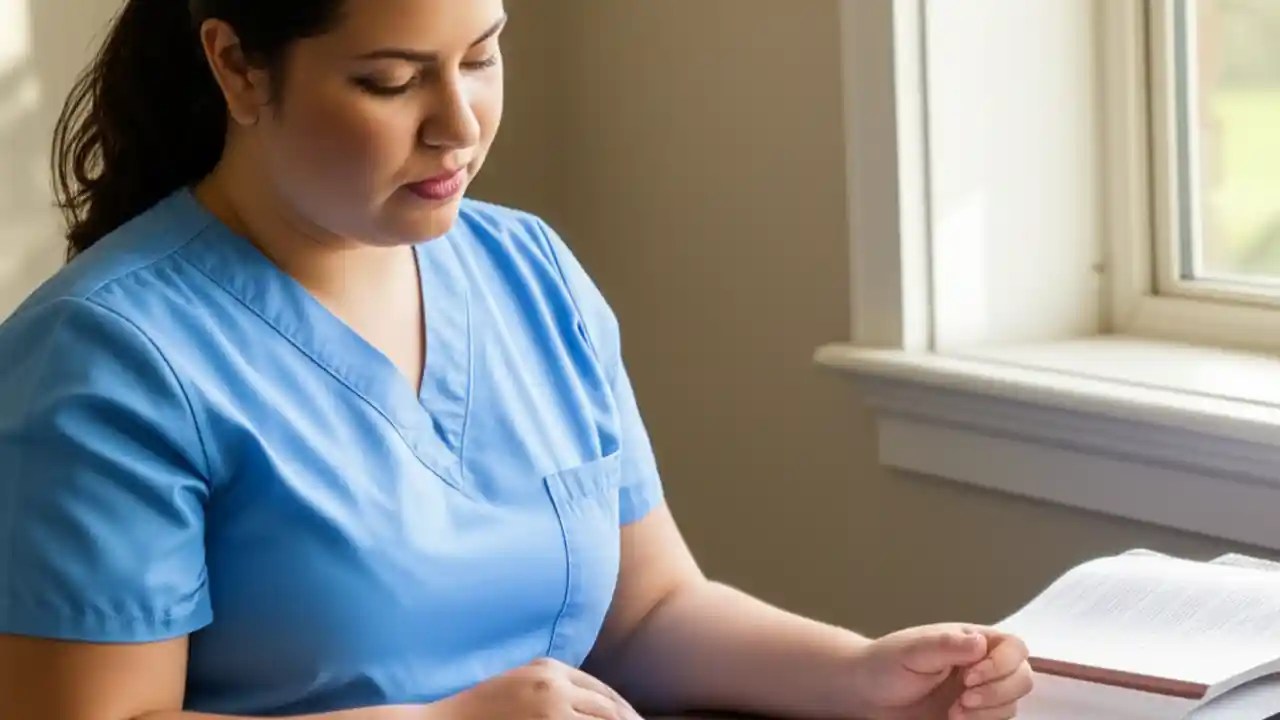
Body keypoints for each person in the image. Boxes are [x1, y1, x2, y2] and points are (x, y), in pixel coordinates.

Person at [0, 1, 1034, 718]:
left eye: (483, 55)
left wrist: (856, 676)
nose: (459, 125)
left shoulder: (527, 271)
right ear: (234, 64)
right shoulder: (108, 359)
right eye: (392, 79)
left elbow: (647, 611)